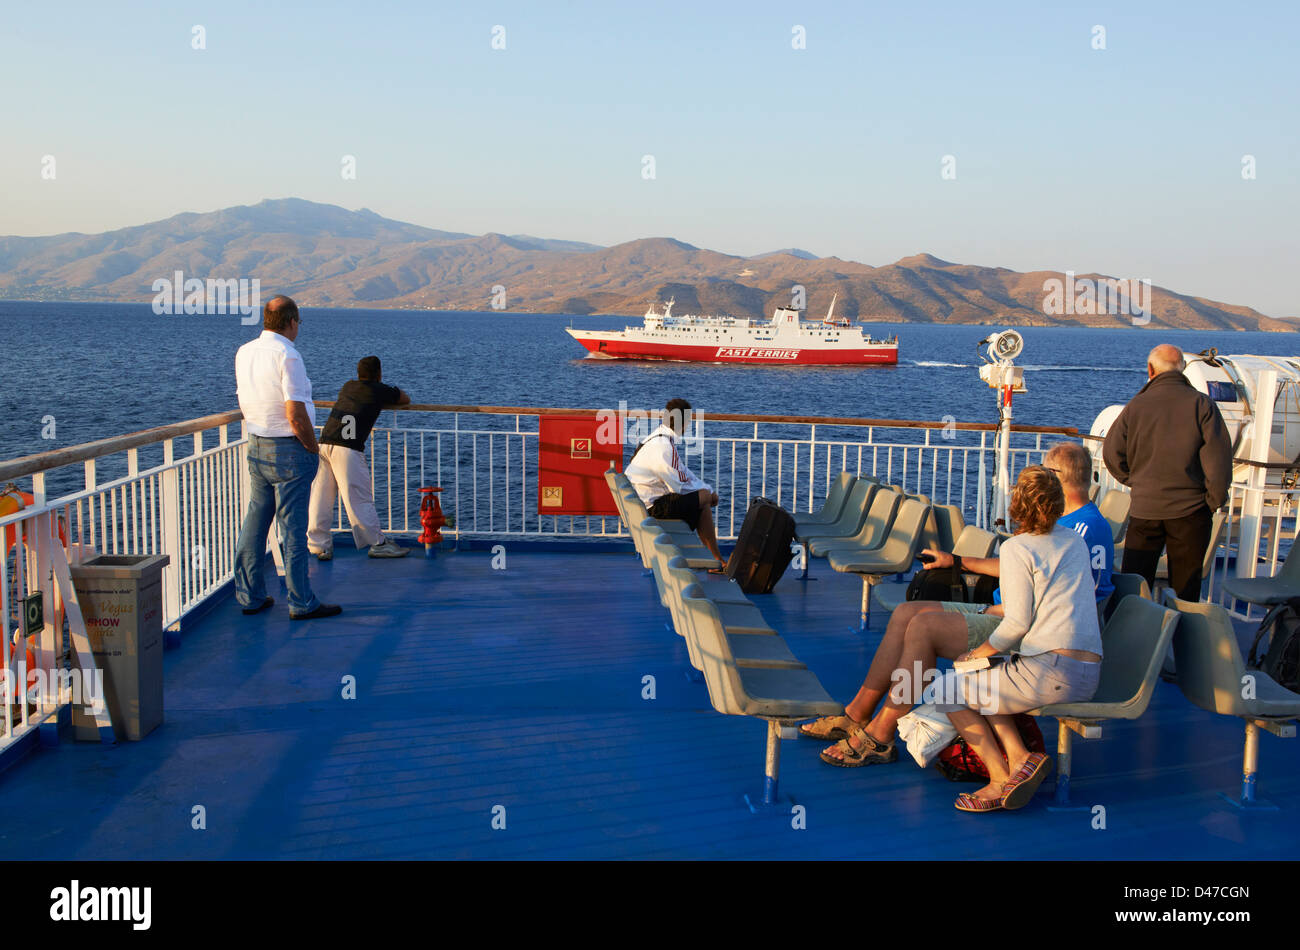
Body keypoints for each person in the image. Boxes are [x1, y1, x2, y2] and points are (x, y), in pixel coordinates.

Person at [803, 441, 1113, 766]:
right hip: (1006, 610)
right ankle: (857, 714)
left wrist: (991, 634)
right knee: (907, 613)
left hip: (1025, 626)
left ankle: (881, 733)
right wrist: (957, 561)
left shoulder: (1083, 528)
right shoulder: (1059, 525)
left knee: (924, 629)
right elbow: (1024, 567)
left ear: (1053, 477)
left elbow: (1065, 599)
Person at [936, 464, 1101, 812]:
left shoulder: (1017, 549)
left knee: (947, 689)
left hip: (1052, 672)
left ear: (1017, 506)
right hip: (1087, 672)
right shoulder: (1075, 541)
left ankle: (998, 780)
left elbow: (1016, 624)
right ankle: (1020, 758)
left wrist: (974, 654)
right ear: (1058, 504)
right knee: (984, 678)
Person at [233, 296, 341, 620]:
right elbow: (294, 411)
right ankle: (301, 602)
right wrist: (312, 446)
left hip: (257, 444)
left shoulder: (245, 351)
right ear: (292, 321)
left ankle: (249, 595)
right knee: (292, 528)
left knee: (255, 523)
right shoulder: (288, 354)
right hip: (288, 449)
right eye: (299, 323)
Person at [1103, 343, 1232, 601]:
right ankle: (1182, 638)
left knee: (1135, 586)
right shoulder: (1202, 406)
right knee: (1185, 590)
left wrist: (1137, 482)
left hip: (1145, 509)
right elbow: (1219, 463)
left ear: (1150, 369)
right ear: (1182, 368)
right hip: (1191, 512)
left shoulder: (1136, 406)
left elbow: (1111, 454)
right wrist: (1211, 502)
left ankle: (1135, 637)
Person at [308, 356, 411, 559]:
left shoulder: (348, 386)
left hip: (325, 443)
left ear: (358, 373)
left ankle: (318, 544)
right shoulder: (378, 390)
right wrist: (388, 388)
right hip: (347, 449)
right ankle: (377, 543)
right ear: (378, 374)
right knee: (359, 496)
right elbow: (405, 398)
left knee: (321, 496)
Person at [624, 397, 725, 565]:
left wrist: (707, 490)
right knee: (704, 499)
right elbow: (678, 486)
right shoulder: (663, 447)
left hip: (644, 504)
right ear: (683, 423)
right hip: (652, 509)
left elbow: (683, 472)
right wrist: (709, 493)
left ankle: (716, 560)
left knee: (702, 500)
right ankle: (717, 560)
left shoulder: (658, 438)